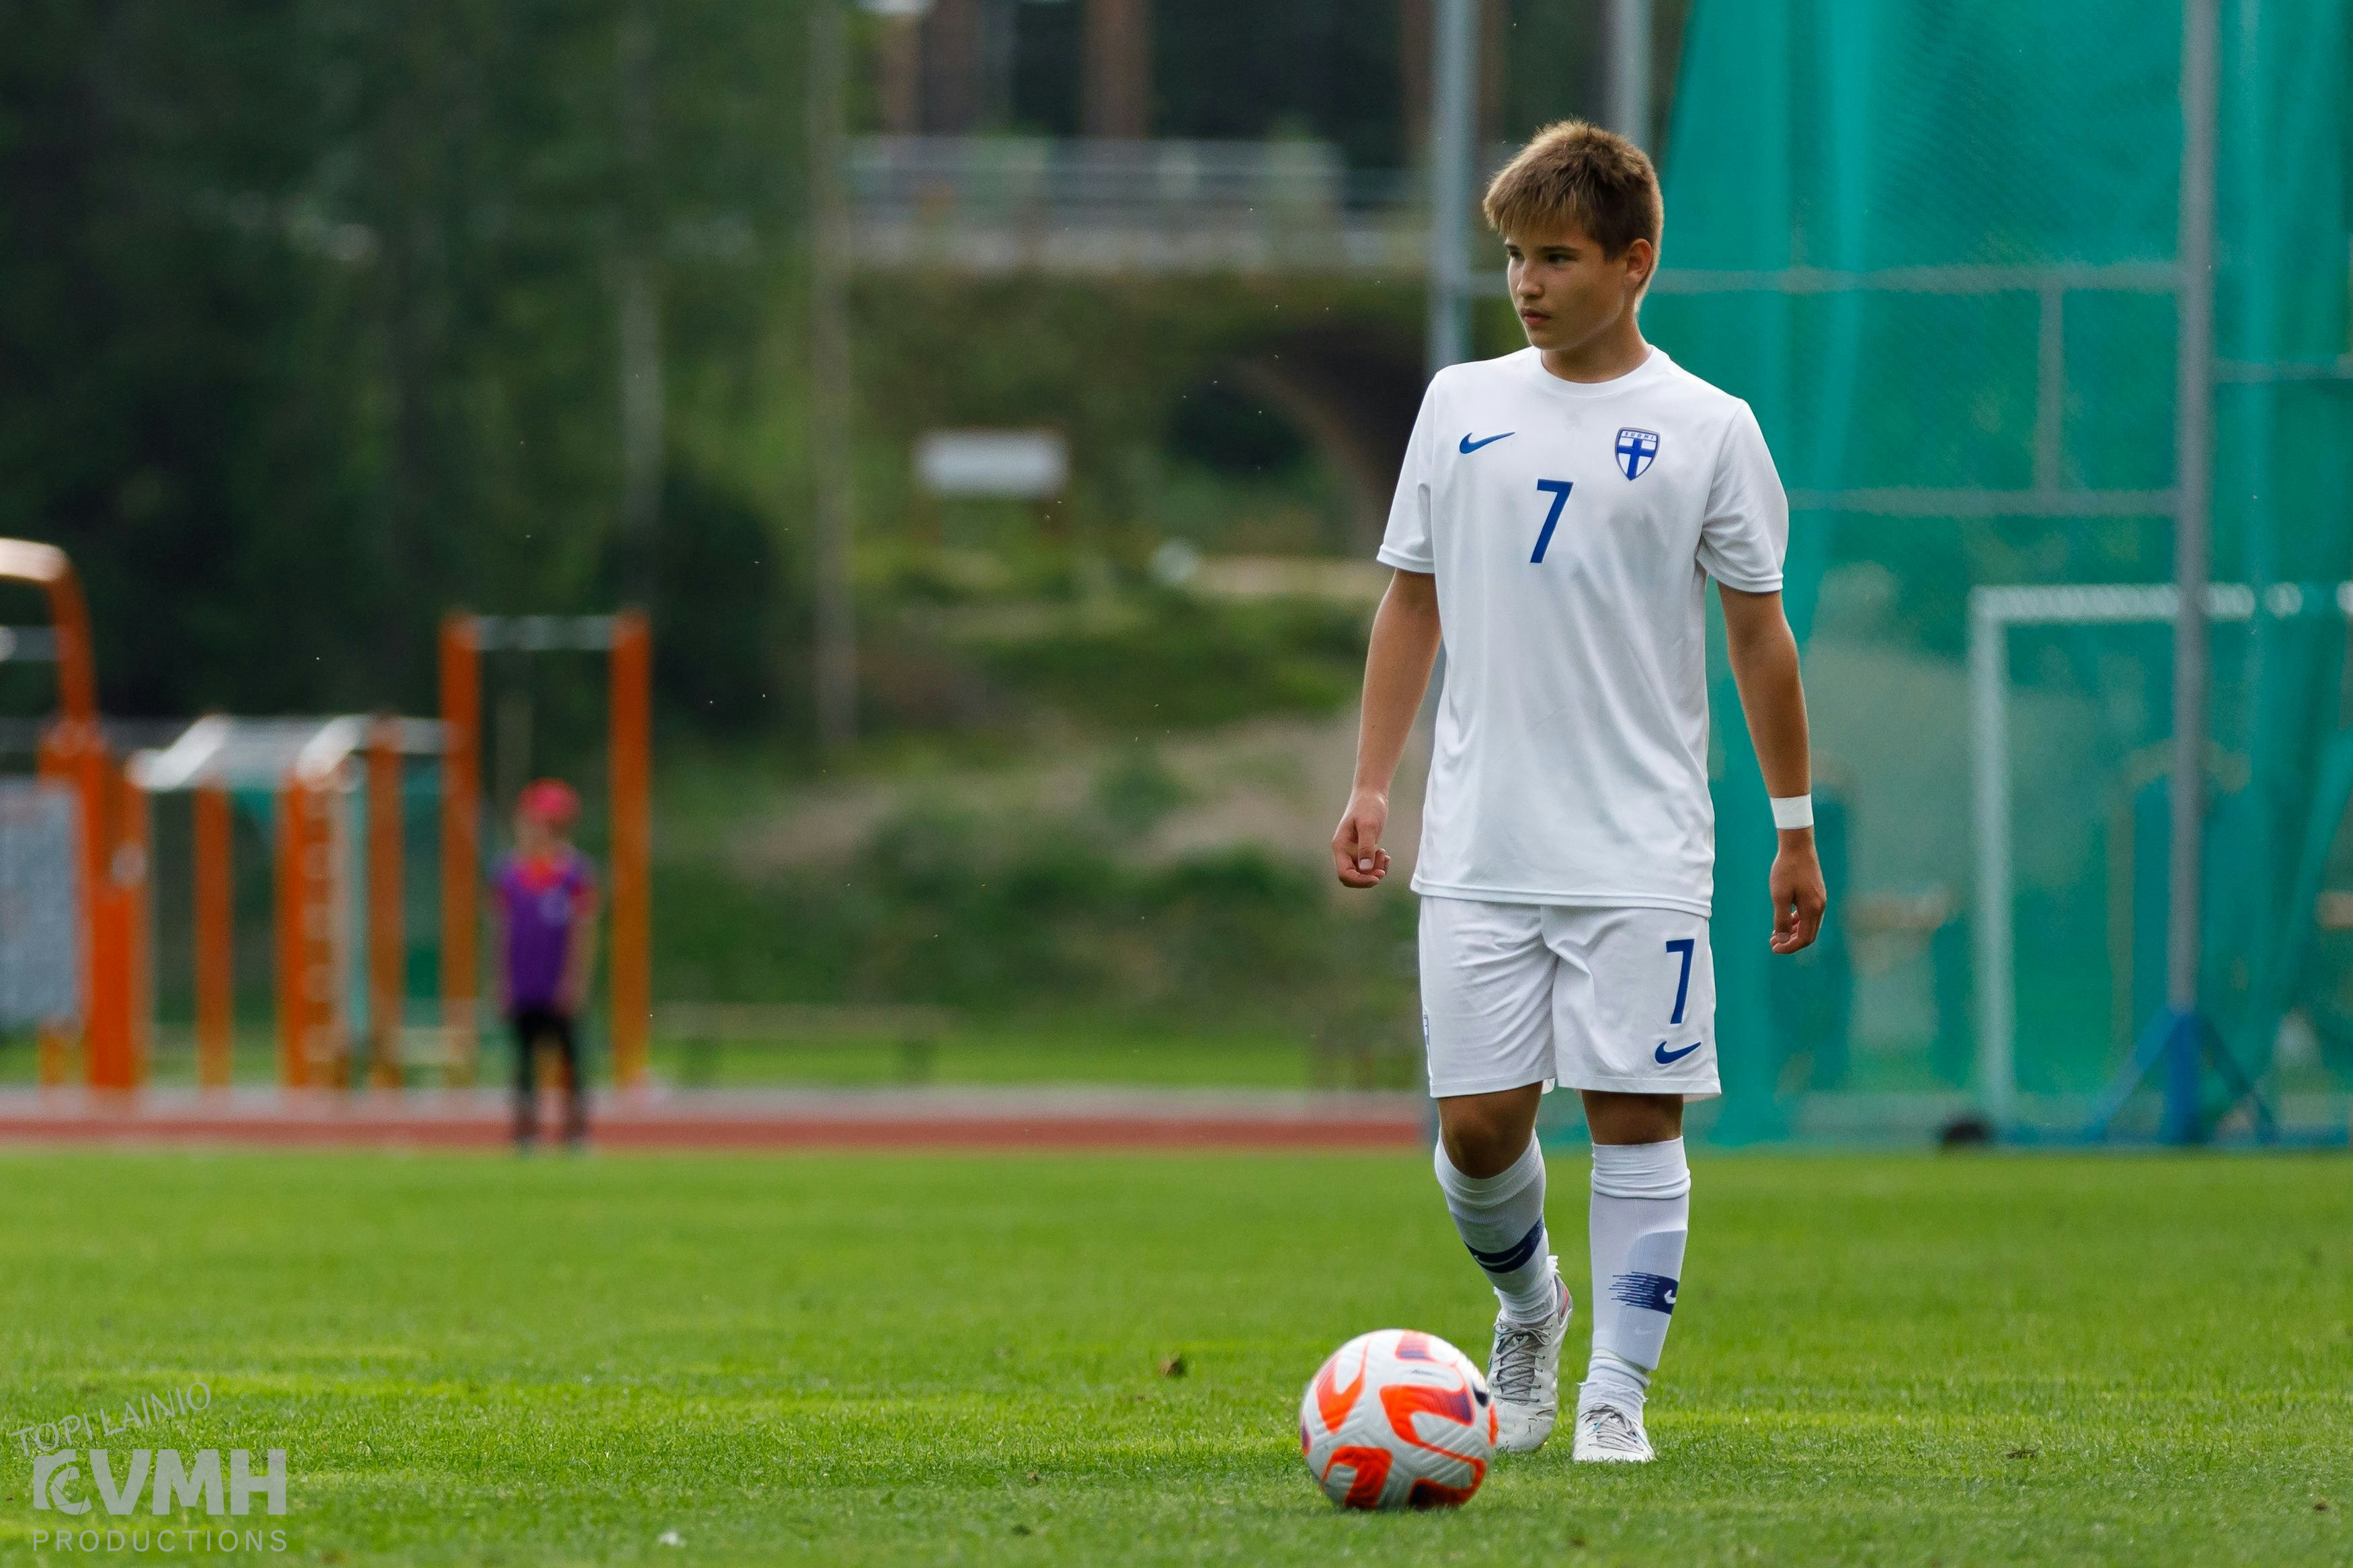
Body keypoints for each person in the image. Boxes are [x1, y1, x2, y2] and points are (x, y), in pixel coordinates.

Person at [1329, 120, 1825, 1464]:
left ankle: (1614, 1391)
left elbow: (1758, 637)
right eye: (1511, 257)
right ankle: (1527, 1306)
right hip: (1483, 841)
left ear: (1633, 261)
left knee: (1632, 1112)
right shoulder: (1458, 401)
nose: (1527, 284)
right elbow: (1410, 599)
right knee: (1479, 1129)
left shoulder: (1708, 427)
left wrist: (1792, 827)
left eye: (1555, 256)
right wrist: (1374, 782)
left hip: (1640, 849)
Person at [493, 778, 601, 1149]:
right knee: (523, 1062)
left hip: (558, 984)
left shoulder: (574, 874)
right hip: (525, 983)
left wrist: (575, 982)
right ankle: (526, 1133)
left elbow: (583, 935)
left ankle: (575, 1133)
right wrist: (503, 980)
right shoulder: (509, 874)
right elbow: (502, 932)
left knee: (570, 1060)